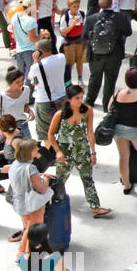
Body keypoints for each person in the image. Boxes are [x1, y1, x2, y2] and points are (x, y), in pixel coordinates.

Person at [47, 85, 110, 218]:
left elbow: (90, 132)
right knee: (60, 179)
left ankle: (95, 207)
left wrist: (93, 152)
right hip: (65, 150)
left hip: (82, 149)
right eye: (77, 98)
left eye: (81, 97)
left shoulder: (87, 111)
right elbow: (51, 135)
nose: (80, 100)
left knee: (87, 178)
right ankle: (51, 204)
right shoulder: (60, 114)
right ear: (69, 99)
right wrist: (58, 151)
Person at [8, 140, 53, 245]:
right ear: (29, 152)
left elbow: (24, 177)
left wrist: (38, 175)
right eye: (35, 148)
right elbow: (41, 188)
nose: (38, 149)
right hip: (32, 206)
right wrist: (46, 179)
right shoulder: (30, 168)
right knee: (33, 235)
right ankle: (28, 256)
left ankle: (21, 254)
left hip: (20, 203)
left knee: (28, 231)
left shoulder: (15, 164)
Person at [28, 39, 67, 146]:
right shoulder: (61, 57)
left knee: (46, 132)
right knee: (62, 128)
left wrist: (36, 61)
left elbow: (32, 79)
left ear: (40, 51)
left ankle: (50, 154)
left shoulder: (36, 67)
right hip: (62, 99)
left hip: (44, 102)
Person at [0, 68, 32, 139]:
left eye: (22, 80)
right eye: (17, 82)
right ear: (10, 82)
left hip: (23, 124)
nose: (21, 83)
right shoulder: (0, 96)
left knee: (30, 147)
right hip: (8, 127)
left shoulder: (26, 89)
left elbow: (24, 106)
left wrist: (29, 111)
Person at [10, 0, 41, 78]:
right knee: (30, 79)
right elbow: (32, 39)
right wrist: (42, 35)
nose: (38, 6)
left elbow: (14, 36)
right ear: (30, 6)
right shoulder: (31, 21)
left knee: (21, 78)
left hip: (19, 51)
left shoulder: (15, 16)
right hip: (30, 52)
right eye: (36, 4)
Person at [58, 0, 86, 86]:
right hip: (69, 43)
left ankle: (80, 78)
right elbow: (63, 32)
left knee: (79, 61)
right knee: (69, 63)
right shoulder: (65, 17)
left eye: (78, 6)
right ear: (69, 7)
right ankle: (68, 81)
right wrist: (73, 24)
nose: (76, 8)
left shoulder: (81, 14)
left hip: (79, 41)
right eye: (74, 6)